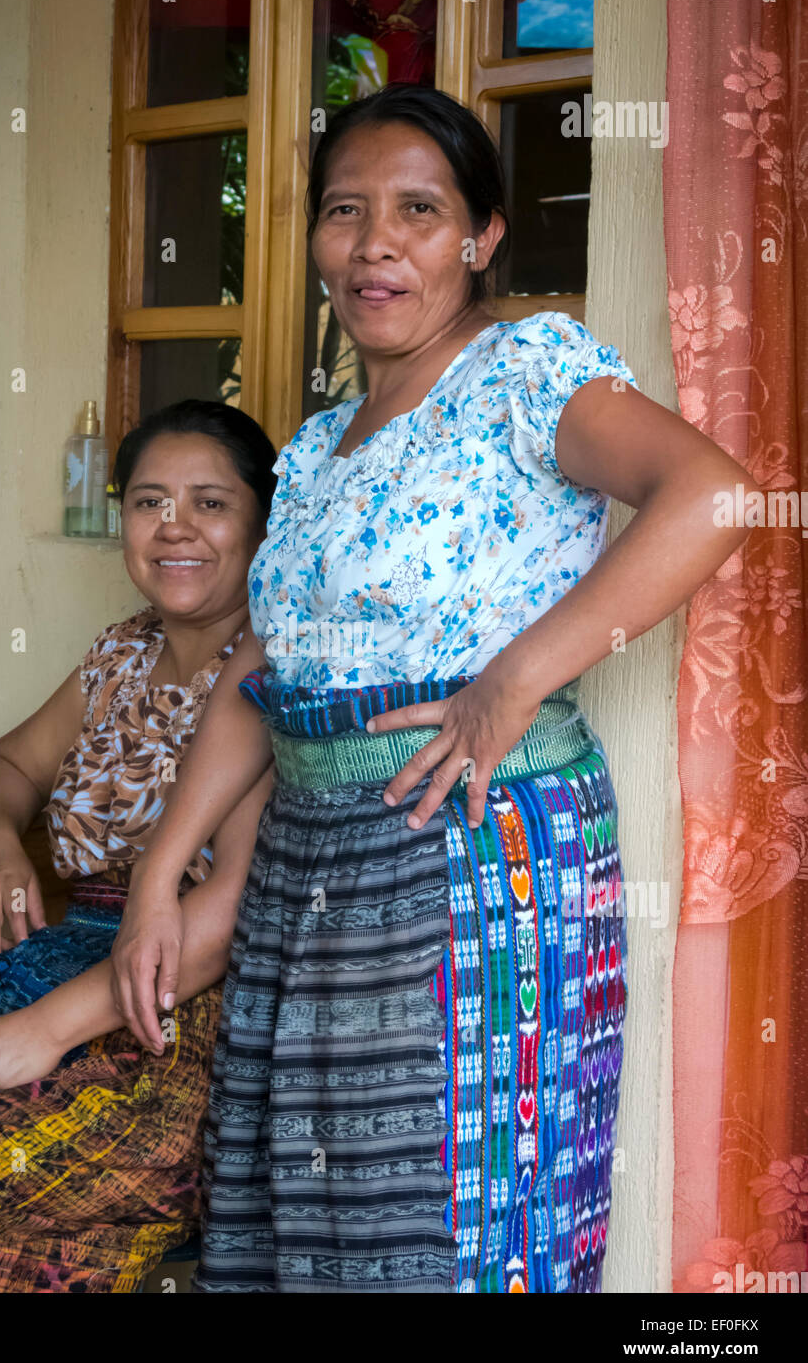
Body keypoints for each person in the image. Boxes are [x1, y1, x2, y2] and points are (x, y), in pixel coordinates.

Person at [109, 84, 762, 1293]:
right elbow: (267, 665)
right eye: (346, 211)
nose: (376, 244)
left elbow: (714, 495)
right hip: (310, 874)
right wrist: (163, 868)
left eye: (419, 209)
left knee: (450, 1226)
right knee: (312, 1219)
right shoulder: (316, 447)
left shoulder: (524, 374)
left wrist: (512, 682)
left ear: (482, 237)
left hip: (468, 853)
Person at [0, 399, 276, 1293]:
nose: (173, 528)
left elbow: (226, 915)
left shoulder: (275, 673)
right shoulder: (122, 655)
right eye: (149, 502)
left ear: (264, 521)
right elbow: (3, 765)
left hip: (165, 1035)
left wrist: (41, 1031)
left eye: (210, 503)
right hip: (51, 976)